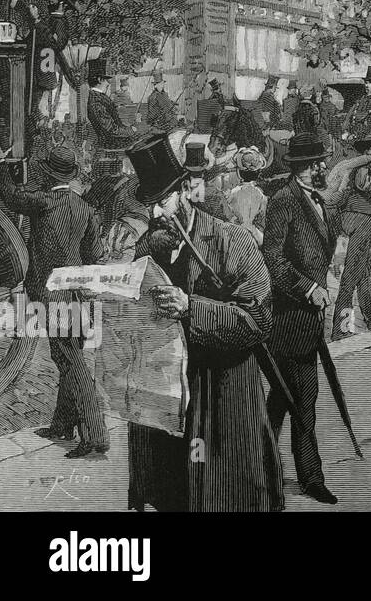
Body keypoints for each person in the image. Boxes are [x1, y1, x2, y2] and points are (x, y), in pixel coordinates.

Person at [124, 134, 284, 512]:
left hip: (222, 394)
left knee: (222, 495)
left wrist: (191, 308)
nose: (158, 215)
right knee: (171, 495)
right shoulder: (148, 247)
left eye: (162, 203)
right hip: (167, 400)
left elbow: (259, 318)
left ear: (185, 191)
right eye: (150, 207)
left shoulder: (231, 240)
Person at [263, 132, 371, 504]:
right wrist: (309, 287)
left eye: (320, 163)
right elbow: (273, 261)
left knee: (282, 402)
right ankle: (308, 477)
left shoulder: (320, 202)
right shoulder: (283, 202)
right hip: (288, 317)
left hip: (308, 320)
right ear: (298, 168)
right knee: (302, 401)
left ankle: (261, 467)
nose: (320, 168)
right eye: (313, 165)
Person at [0, 144, 107, 459]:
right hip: (76, 295)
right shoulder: (85, 209)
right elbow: (94, 256)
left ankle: (95, 435)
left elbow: (11, 197)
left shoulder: (46, 202)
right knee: (67, 358)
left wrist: (2, 165)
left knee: (71, 362)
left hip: (51, 296)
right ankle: (62, 425)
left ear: (47, 175)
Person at [334, 136, 371, 340]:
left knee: (364, 269)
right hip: (359, 218)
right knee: (350, 275)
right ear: (368, 149)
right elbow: (363, 184)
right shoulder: (364, 165)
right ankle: (341, 328)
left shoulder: (365, 164)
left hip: (361, 217)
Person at [84, 57, 135, 179]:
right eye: (106, 80)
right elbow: (110, 128)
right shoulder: (96, 101)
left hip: (113, 145)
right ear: (99, 79)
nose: (108, 83)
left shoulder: (99, 97)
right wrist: (130, 130)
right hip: (111, 148)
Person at [224, 146, 269, 246]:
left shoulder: (231, 193)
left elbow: (227, 216)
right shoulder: (261, 196)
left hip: (234, 235)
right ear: (257, 173)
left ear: (239, 173)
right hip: (254, 237)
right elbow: (263, 221)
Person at [342, 64, 371, 146]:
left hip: (366, 142)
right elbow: (348, 117)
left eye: (370, 82)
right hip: (351, 139)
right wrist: (346, 131)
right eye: (366, 82)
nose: (366, 85)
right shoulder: (358, 102)